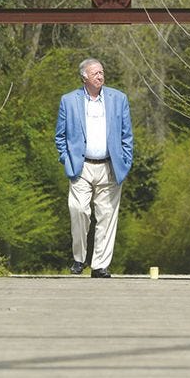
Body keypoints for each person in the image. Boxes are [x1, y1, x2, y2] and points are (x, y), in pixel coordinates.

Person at [55, 57, 133, 278]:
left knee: (107, 215)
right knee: (78, 210)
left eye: (102, 72)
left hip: (110, 166)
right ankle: (79, 258)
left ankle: (100, 265)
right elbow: (60, 136)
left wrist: (125, 162)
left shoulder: (119, 99)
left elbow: (127, 135)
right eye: (95, 73)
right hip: (80, 167)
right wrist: (66, 158)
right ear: (84, 77)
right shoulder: (68, 101)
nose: (100, 75)